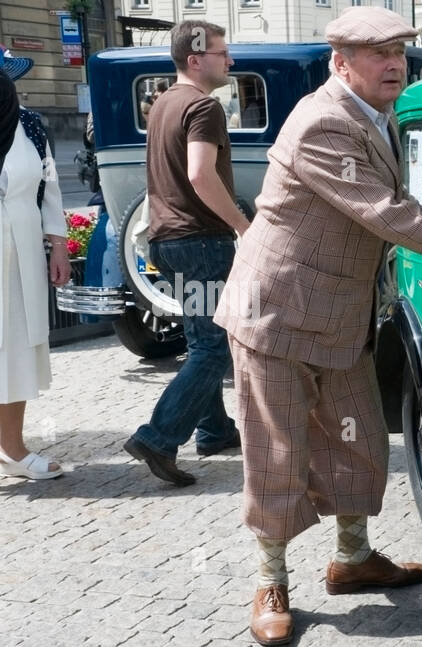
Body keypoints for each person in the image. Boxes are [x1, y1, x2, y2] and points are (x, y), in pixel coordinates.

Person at [213, 7, 422, 647]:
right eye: (376, 53)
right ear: (341, 62)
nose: (394, 63)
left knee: (359, 438)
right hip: (278, 315)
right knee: (278, 450)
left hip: (340, 315)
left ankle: (353, 559)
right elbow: (387, 215)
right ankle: (271, 581)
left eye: (399, 51)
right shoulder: (325, 122)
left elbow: (402, 207)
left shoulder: (376, 117)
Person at [123, 21, 251, 487]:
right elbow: (200, 174)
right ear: (196, 59)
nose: (230, 62)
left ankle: (215, 430)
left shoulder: (164, 104)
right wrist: (243, 225)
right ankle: (158, 438)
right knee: (213, 347)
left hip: (170, 242)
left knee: (203, 338)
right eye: (222, 53)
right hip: (200, 243)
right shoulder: (203, 106)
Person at [0, 57, 70, 480]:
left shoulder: (29, 125)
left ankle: (12, 447)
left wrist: (58, 244)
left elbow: (50, 187)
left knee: (18, 346)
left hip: (22, 248)